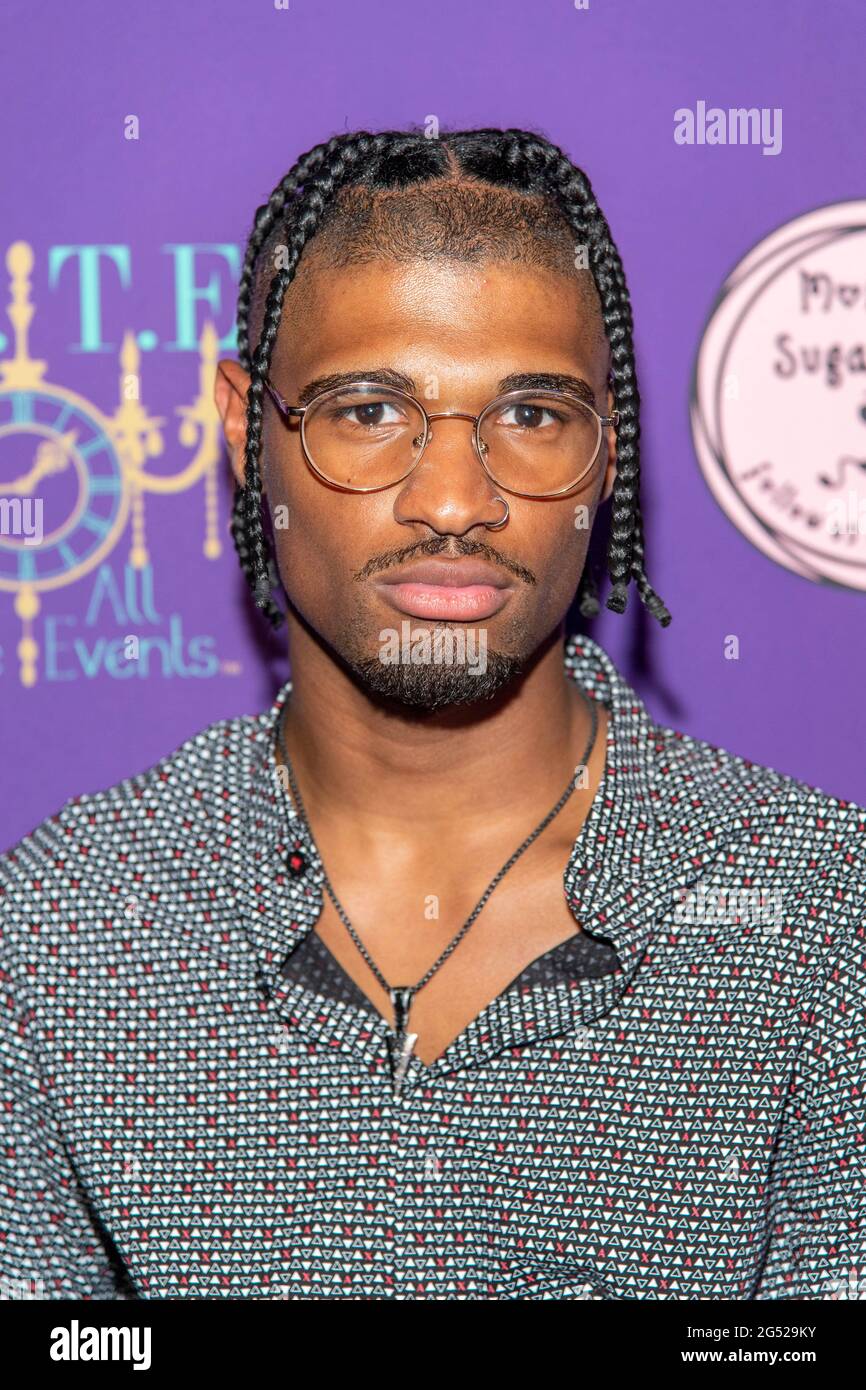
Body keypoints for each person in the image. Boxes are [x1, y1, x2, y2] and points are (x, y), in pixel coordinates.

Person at [1, 127, 863, 1302]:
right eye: (367, 411)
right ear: (245, 427)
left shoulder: (815, 918)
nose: (453, 499)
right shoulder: (66, 930)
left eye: (530, 415)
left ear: (609, 450)